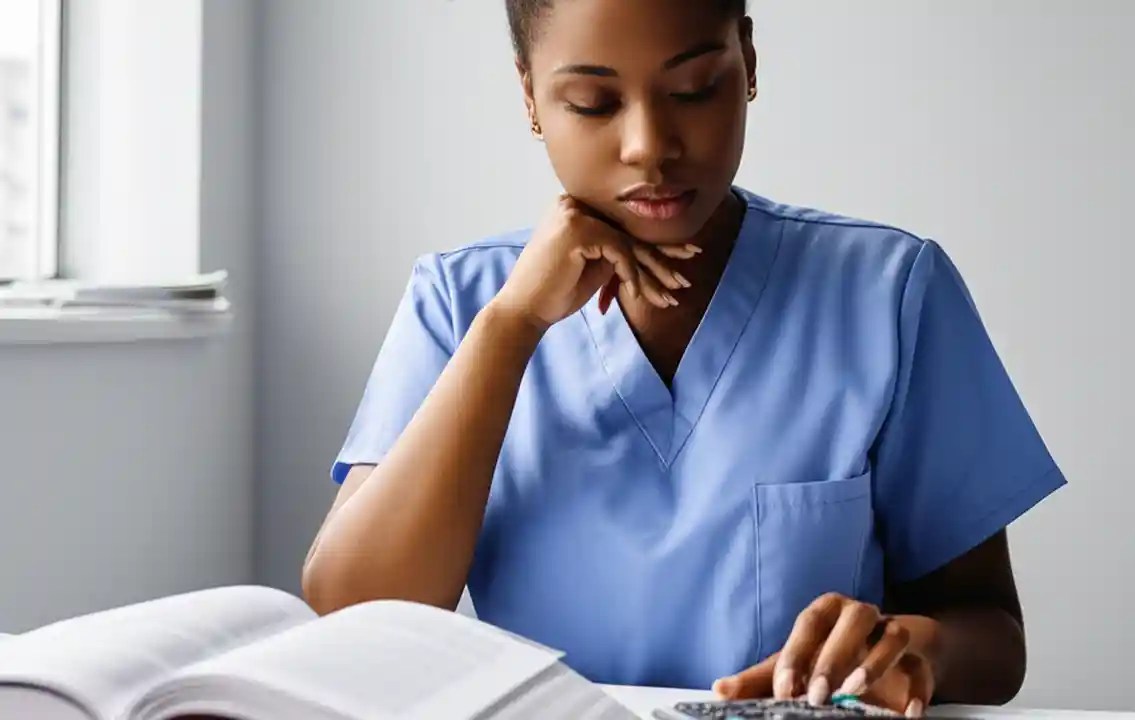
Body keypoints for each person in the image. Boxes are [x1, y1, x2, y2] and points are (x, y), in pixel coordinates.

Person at [301, 1, 1066, 715]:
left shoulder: (887, 293)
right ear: (530, 97)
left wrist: (913, 652)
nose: (651, 148)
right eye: (594, 104)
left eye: (696, 89)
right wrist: (511, 329)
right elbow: (354, 615)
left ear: (749, 61)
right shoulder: (460, 304)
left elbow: (992, 631)